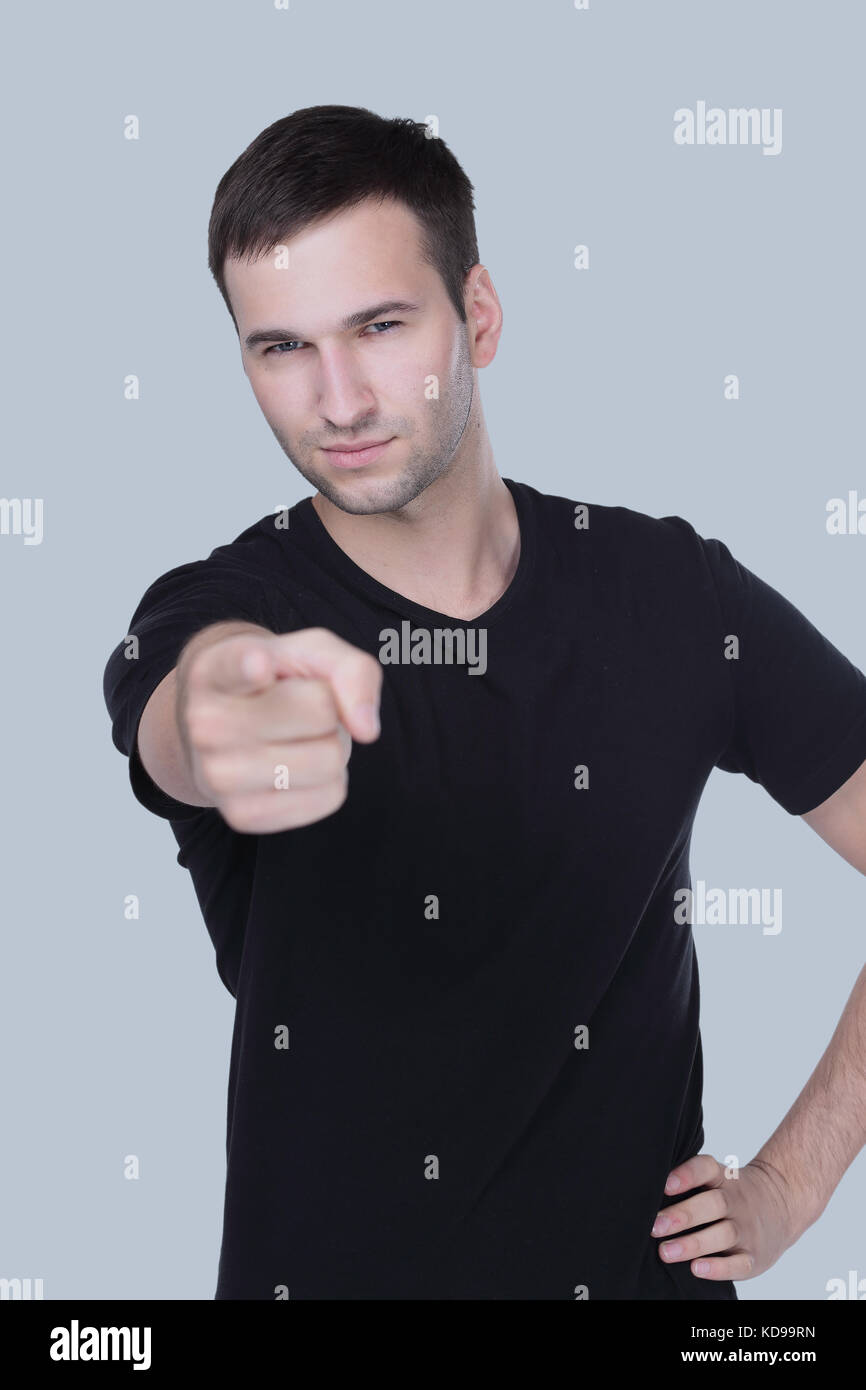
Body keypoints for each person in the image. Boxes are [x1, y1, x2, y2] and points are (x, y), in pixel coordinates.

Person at [103, 105, 866, 1300]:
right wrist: (218, 720)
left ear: (480, 316)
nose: (338, 399)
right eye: (281, 348)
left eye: (380, 325)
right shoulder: (219, 608)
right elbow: (184, 710)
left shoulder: (670, 592)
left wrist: (790, 1185)